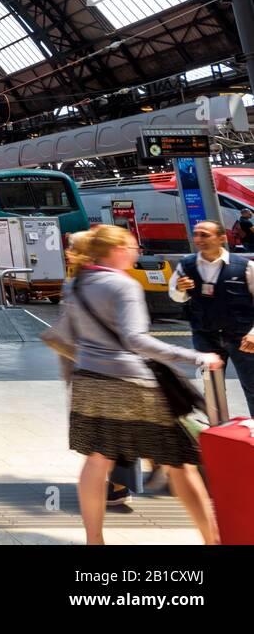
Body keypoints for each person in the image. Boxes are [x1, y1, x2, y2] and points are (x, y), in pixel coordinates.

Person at [63, 225, 223, 545]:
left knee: (97, 459)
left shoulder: (75, 284)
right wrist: (194, 356)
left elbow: (72, 336)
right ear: (117, 251)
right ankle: (212, 540)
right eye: (133, 247)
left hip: (88, 382)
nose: (137, 252)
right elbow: (135, 340)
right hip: (130, 384)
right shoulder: (123, 284)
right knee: (180, 461)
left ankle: (95, 541)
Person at [169, 219, 254, 415]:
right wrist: (180, 290)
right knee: (212, 390)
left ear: (222, 238)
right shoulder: (186, 265)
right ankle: (219, 432)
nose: (198, 239)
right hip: (205, 335)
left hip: (242, 338)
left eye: (205, 235)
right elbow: (175, 295)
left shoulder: (245, 266)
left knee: (252, 387)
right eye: (196, 234)